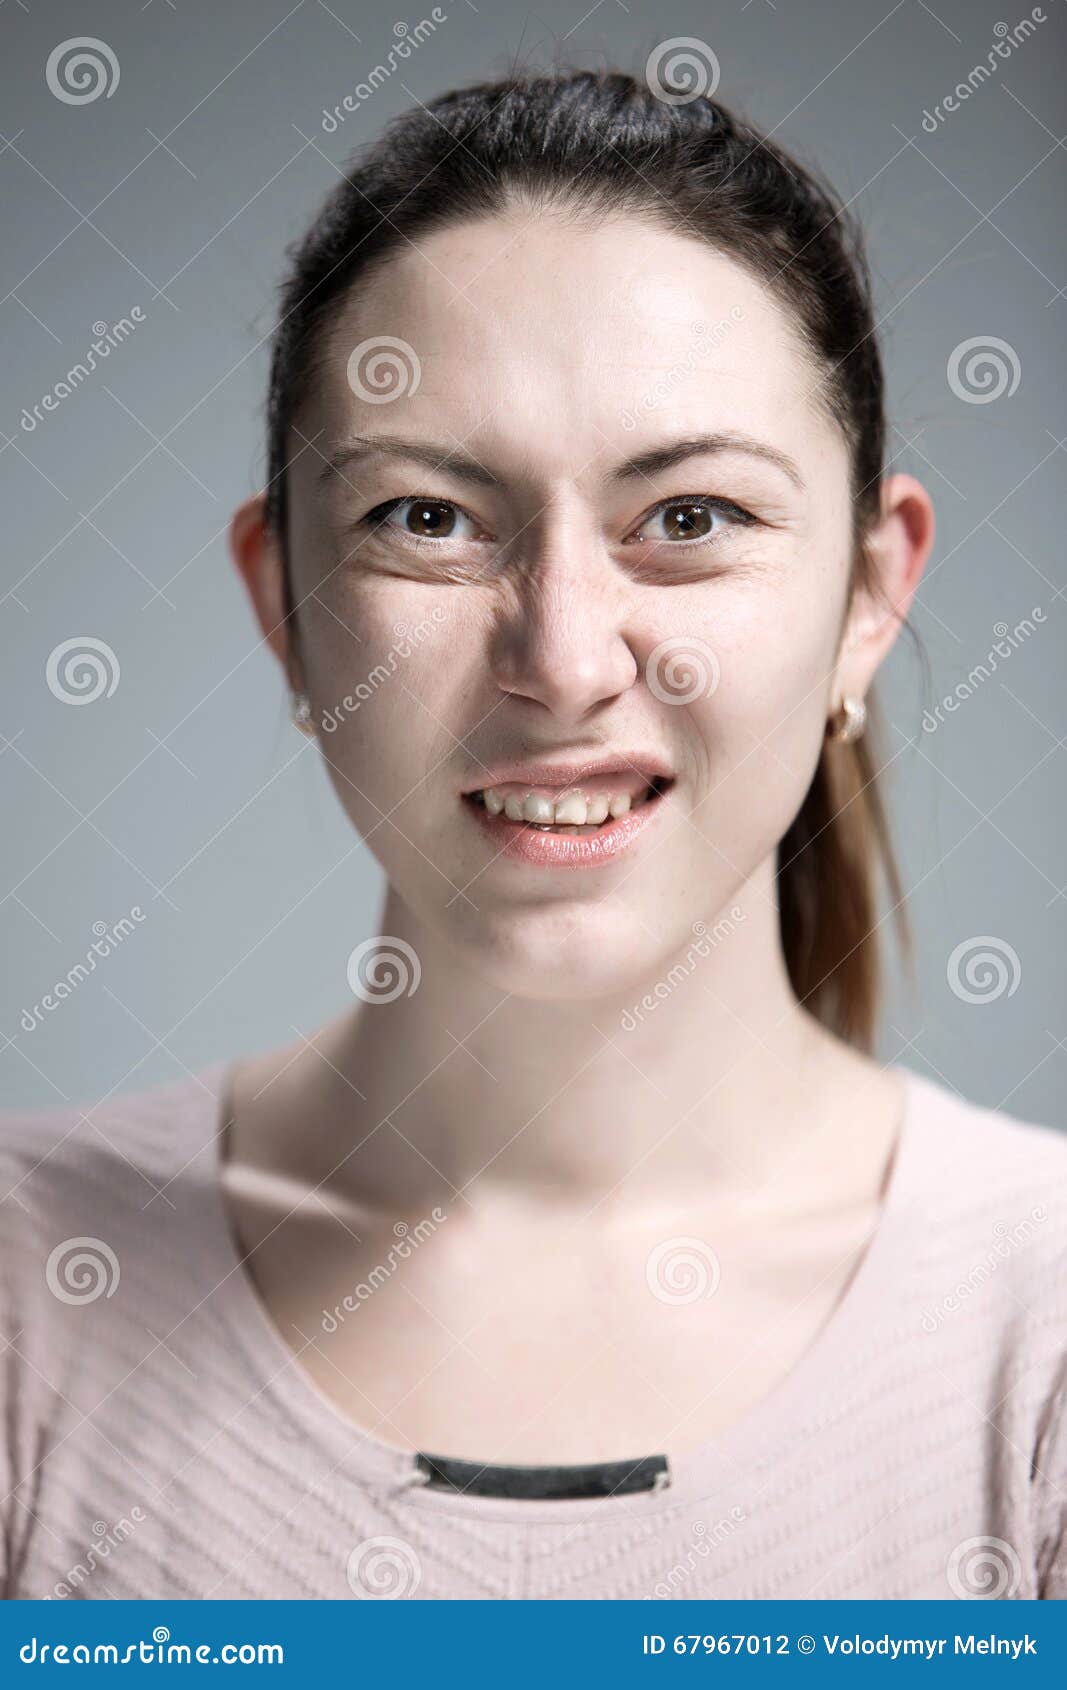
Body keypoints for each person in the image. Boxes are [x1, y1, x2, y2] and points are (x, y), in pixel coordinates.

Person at [2, 69, 1064, 1602]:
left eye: (690, 517)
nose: (562, 659)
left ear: (868, 593)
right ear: (284, 601)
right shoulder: (28, 1293)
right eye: (428, 518)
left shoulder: (1041, 1333)